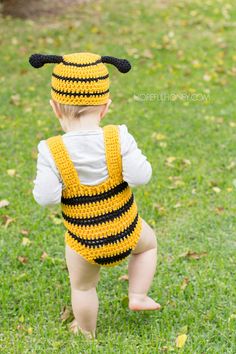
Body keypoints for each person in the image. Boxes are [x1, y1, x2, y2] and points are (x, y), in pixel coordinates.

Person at [30, 52, 161, 340]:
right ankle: (138, 294)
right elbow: (141, 176)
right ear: (105, 107)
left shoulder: (51, 149)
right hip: (127, 229)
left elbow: (46, 197)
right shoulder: (118, 137)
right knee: (148, 247)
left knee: (83, 287)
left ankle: (86, 331)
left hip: (84, 239)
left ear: (54, 107)